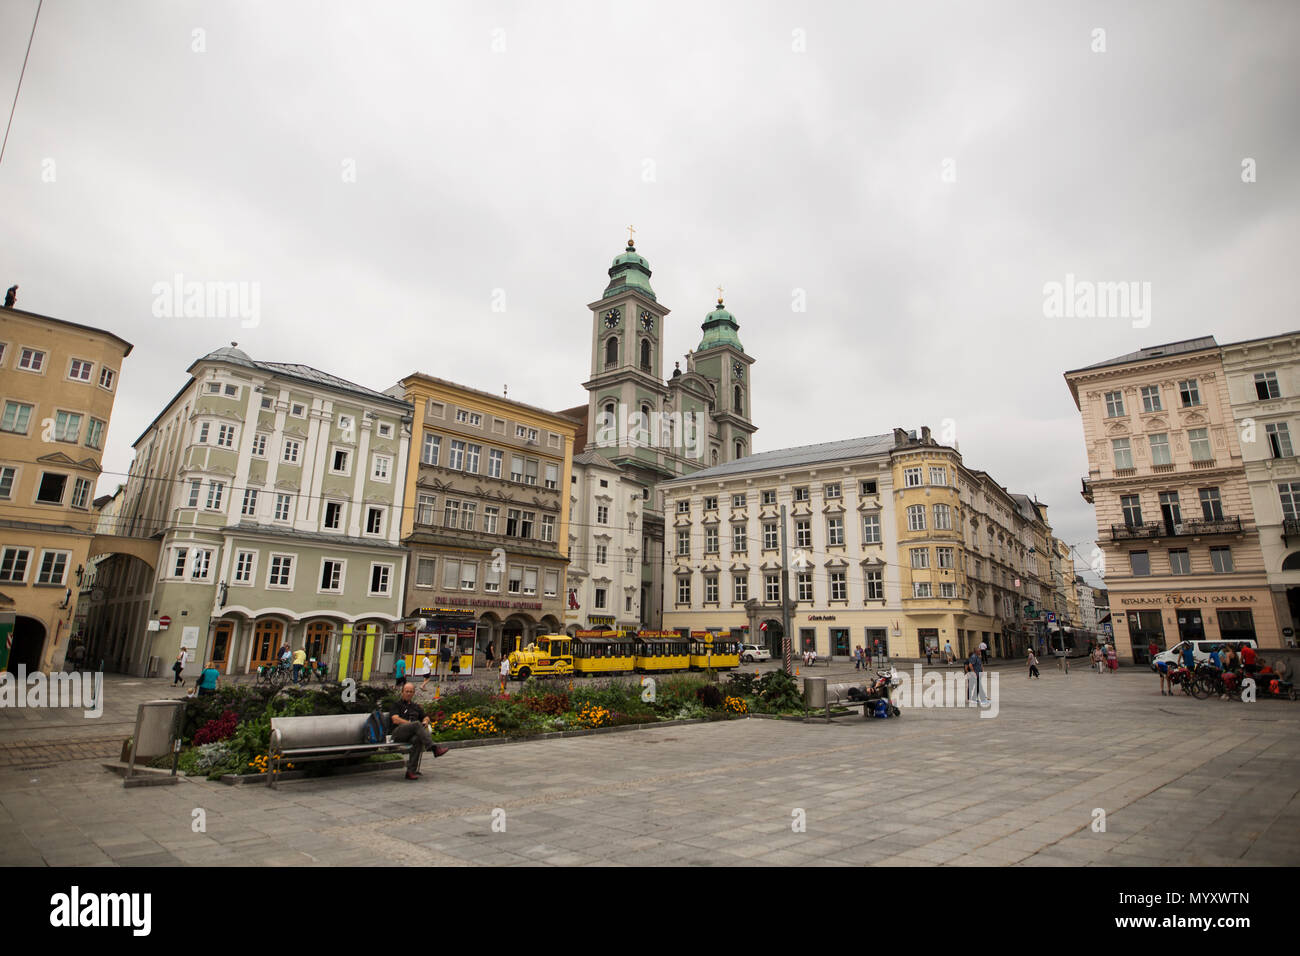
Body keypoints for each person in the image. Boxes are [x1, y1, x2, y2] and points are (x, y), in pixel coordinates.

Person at [390, 682, 449, 780]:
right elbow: (395, 719)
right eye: (406, 691)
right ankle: (434, 748)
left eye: (411, 692)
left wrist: (425, 721)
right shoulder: (396, 705)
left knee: (417, 739)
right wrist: (411, 724)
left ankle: (410, 772)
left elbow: (426, 717)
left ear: (413, 693)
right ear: (402, 692)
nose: (408, 693)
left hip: (411, 735)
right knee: (417, 724)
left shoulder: (415, 706)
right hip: (398, 733)